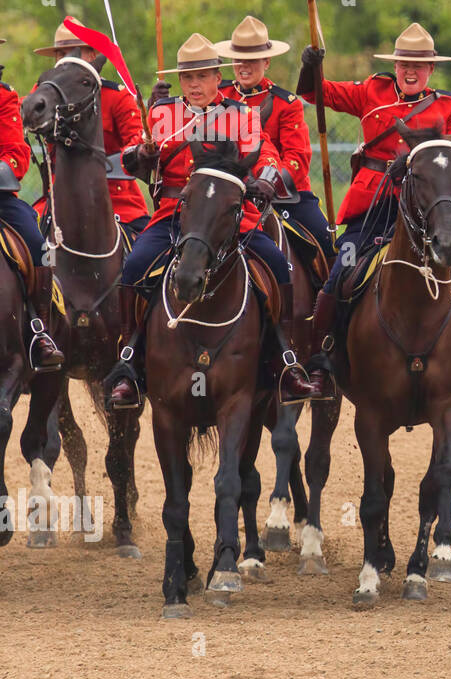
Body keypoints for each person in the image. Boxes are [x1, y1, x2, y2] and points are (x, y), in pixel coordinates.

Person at [296, 22, 451, 401]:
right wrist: (310, 66)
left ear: (431, 69)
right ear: (395, 66)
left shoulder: (448, 106)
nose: (410, 71)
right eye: (403, 64)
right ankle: (321, 363)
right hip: (376, 204)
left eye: (419, 64)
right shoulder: (370, 91)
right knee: (340, 272)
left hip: (431, 210)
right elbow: (317, 93)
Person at [105, 33, 314, 409]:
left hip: (228, 220)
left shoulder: (241, 114)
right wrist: (142, 153)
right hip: (173, 214)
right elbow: (133, 153)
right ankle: (129, 360)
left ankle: (285, 359)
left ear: (219, 77)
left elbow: (265, 152)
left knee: (279, 266)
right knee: (134, 265)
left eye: (202, 76)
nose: (194, 85)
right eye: (187, 78)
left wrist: (266, 177)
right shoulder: (161, 113)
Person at [215, 15, 333, 255]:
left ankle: (329, 292)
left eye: (252, 60)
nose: (244, 66)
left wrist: (270, 181)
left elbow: (297, 159)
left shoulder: (286, 103)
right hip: (228, 189)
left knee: (325, 240)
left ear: (267, 61)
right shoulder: (218, 95)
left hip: (282, 194)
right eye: (239, 59)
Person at [32, 17, 150, 235]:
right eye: (60, 53)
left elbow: (138, 138)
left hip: (113, 197)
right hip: (59, 197)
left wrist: (125, 158)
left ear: (92, 55)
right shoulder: (45, 94)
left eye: (75, 52)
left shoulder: (116, 96)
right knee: (27, 246)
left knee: (143, 260)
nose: (66, 59)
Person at [0, 36, 63, 372]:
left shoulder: (4, 96)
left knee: (39, 247)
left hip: (0, 199)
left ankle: (39, 330)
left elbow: (16, 154)